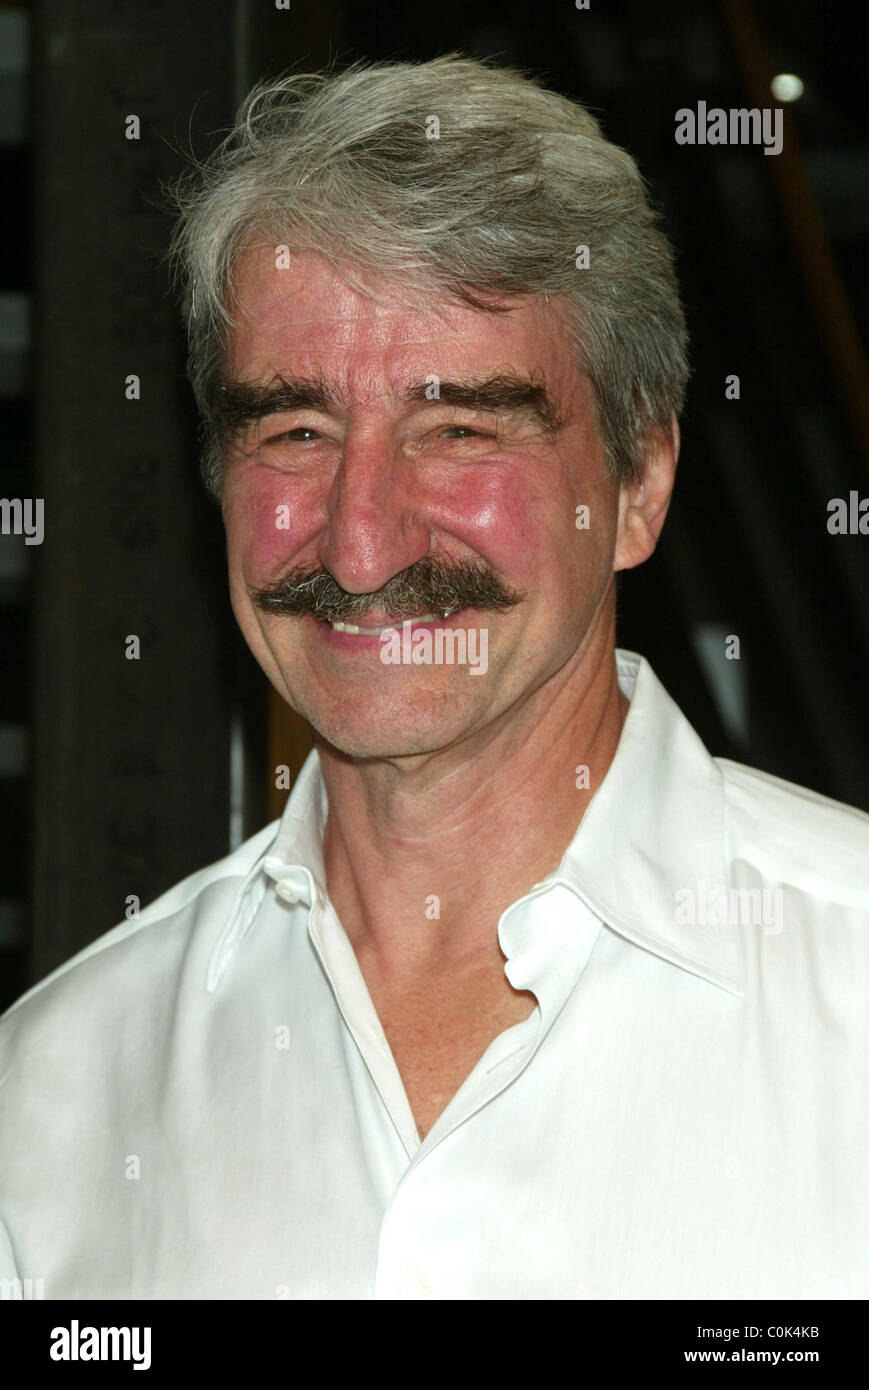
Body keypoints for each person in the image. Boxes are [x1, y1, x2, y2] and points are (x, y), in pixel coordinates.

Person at [2, 54, 867, 1302]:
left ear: (638, 483)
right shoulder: (58, 1091)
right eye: (293, 429)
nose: (360, 544)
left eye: (458, 428)